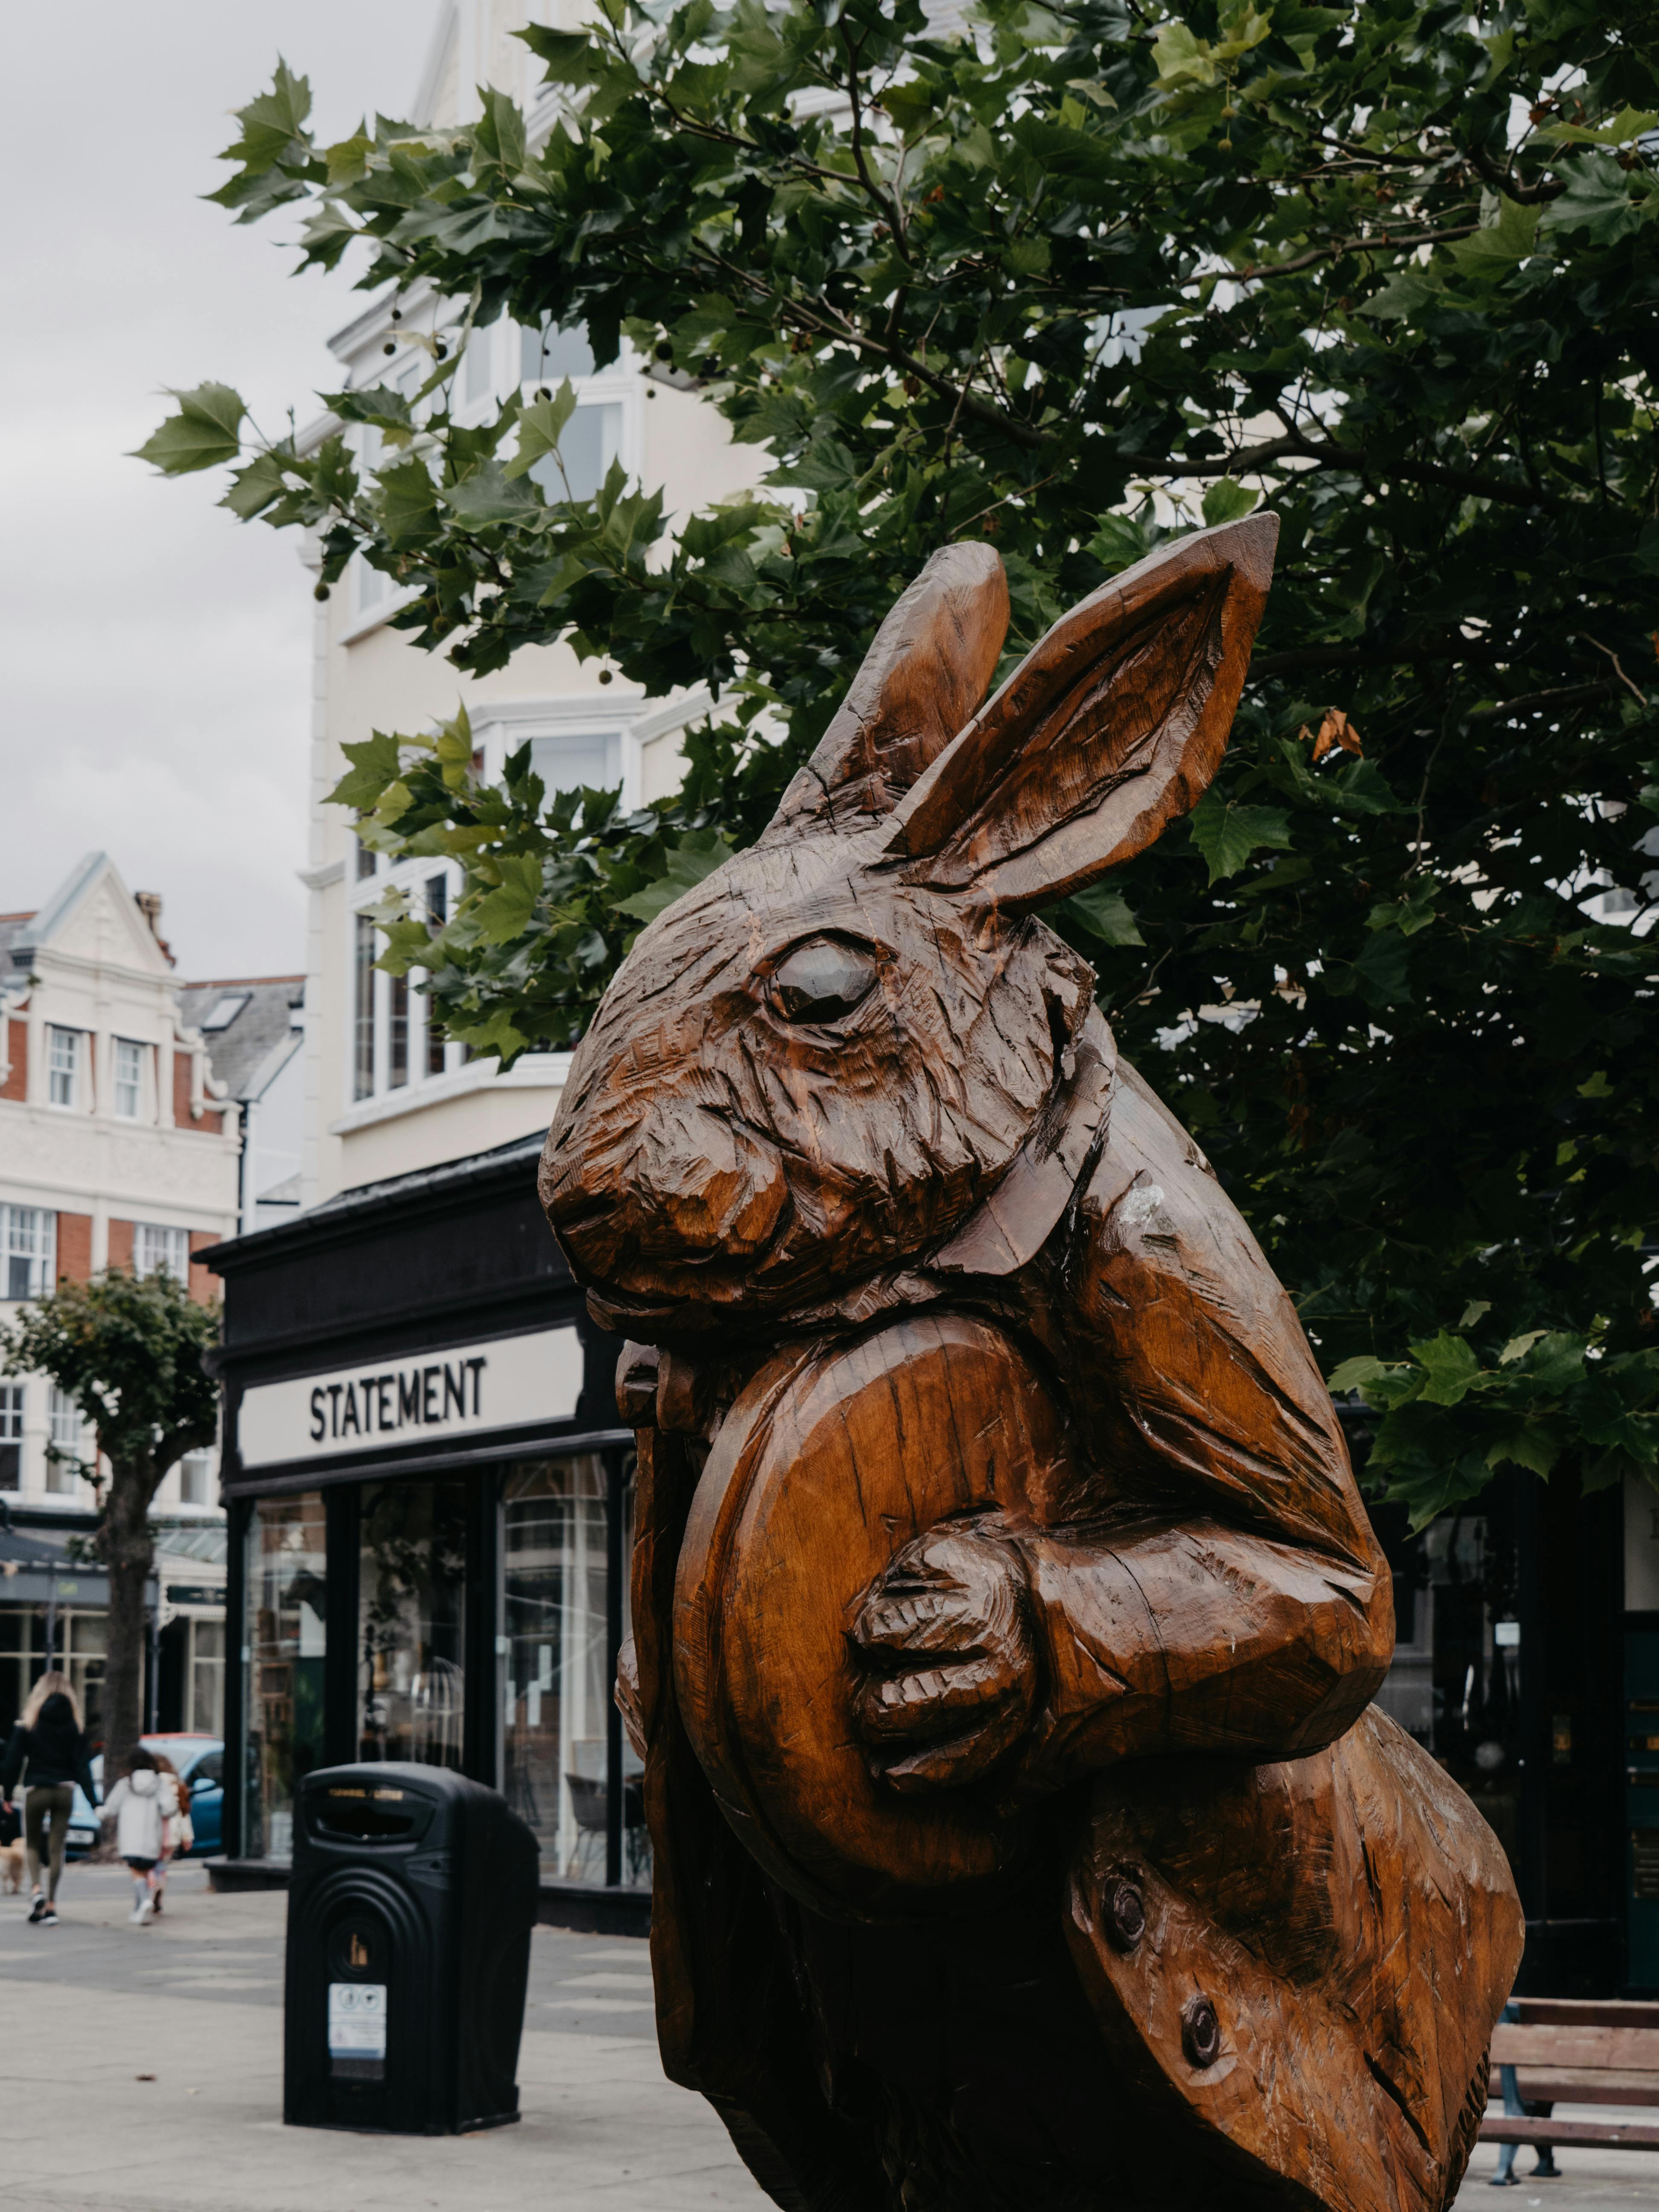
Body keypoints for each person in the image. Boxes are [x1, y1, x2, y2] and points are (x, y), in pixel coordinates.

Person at [0, 1672, 99, 1927]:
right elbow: (83, 1768)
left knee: (33, 1844)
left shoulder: (28, 1723)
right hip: (65, 1790)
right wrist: (94, 1801)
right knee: (58, 1848)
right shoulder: (76, 1726)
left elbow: (13, 1761)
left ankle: (36, 1892)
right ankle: (53, 1906)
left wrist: (8, 1793)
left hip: (36, 1789)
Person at [101, 1749, 169, 1924]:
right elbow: (170, 1808)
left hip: (131, 1839)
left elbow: (111, 1809)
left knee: (137, 1873)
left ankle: (145, 1901)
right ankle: (140, 1911)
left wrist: (98, 1811)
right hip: (152, 1838)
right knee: (144, 1873)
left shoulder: (126, 1784)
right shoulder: (160, 1784)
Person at [149, 1753, 189, 1917]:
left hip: (154, 1833)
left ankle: (153, 1886)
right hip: (173, 1836)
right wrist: (187, 1837)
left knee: (150, 1864)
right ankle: (160, 1888)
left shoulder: (152, 1784)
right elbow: (185, 1814)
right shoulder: (178, 1785)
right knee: (163, 1866)